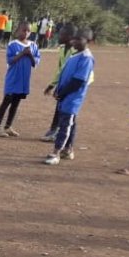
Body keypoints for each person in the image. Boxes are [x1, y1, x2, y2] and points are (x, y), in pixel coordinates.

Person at [44, 28, 94, 165]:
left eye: (79, 39)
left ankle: (56, 153)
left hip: (72, 98)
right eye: (74, 38)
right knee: (70, 123)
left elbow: (78, 81)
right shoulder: (75, 55)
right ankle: (68, 149)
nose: (75, 41)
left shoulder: (86, 58)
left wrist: (63, 92)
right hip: (65, 96)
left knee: (65, 125)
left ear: (89, 41)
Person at [0, 20, 40, 137]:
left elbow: (35, 63)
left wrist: (30, 55)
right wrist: (23, 53)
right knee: (6, 101)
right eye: (24, 30)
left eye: (28, 31)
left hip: (23, 81)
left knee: (16, 103)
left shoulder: (33, 46)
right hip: (13, 79)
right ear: (17, 31)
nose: (26, 33)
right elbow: (10, 60)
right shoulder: (13, 44)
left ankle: (8, 126)